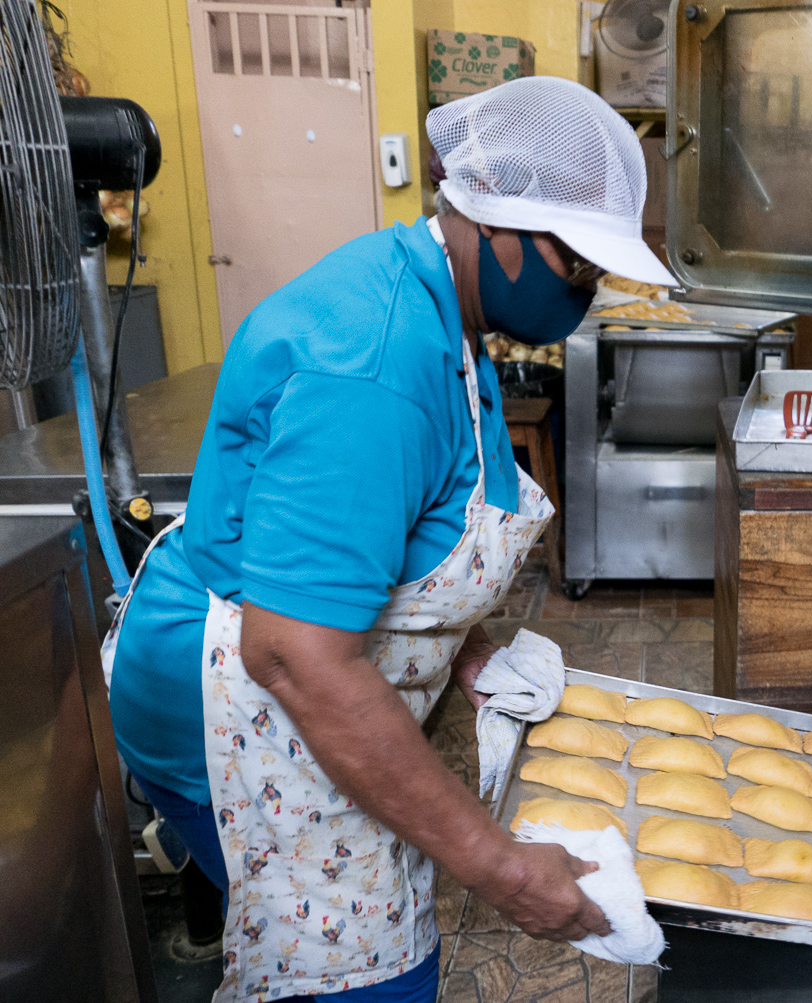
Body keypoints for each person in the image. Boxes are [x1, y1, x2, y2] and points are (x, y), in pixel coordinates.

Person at [104, 77, 676, 1002]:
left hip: (303, 660)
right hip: (237, 710)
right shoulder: (376, 359)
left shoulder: (448, 312)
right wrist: (498, 863)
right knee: (370, 976)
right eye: (578, 267)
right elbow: (293, 651)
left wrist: (461, 648)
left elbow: (400, 532)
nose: (588, 292)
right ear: (497, 225)